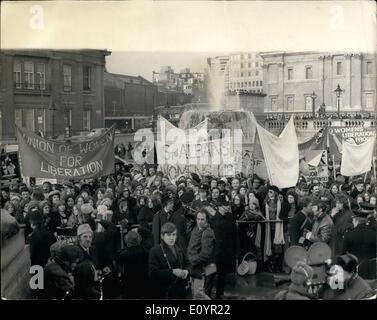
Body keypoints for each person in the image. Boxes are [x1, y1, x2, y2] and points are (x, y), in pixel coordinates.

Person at [148, 222, 190, 299]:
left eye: (174, 235)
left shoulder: (179, 247)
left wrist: (187, 271)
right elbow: (153, 273)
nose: (172, 238)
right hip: (165, 293)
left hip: (180, 291)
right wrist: (172, 271)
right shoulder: (155, 251)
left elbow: (187, 263)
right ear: (162, 236)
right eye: (168, 235)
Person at [207, 202, 236, 299]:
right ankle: (207, 293)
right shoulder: (213, 218)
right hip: (214, 251)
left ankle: (219, 294)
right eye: (225, 205)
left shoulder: (230, 217)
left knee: (222, 274)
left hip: (224, 251)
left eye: (228, 205)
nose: (227, 207)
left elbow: (234, 234)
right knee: (210, 274)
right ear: (219, 207)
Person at [116, 227, 154, 299]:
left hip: (130, 286)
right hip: (145, 283)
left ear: (127, 242)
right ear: (139, 240)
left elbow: (119, 254)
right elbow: (150, 235)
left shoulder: (122, 255)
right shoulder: (146, 249)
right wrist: (138, 229)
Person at [187, 211, 216, 300]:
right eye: (198, 219)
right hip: (193, 266)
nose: (200, 221)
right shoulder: (196, 229)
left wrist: (193, 260)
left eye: (202, 219)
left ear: (206, 220)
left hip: (200, 267)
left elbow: (206, 254)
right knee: (194, 293)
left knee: (198, 294)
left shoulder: (207, 232)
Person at [343, 203, 377, 280]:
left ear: (356, 221)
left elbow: (343, 255)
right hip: (371, 270)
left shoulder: (349, 235)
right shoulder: (374, 235)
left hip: (355, 271)